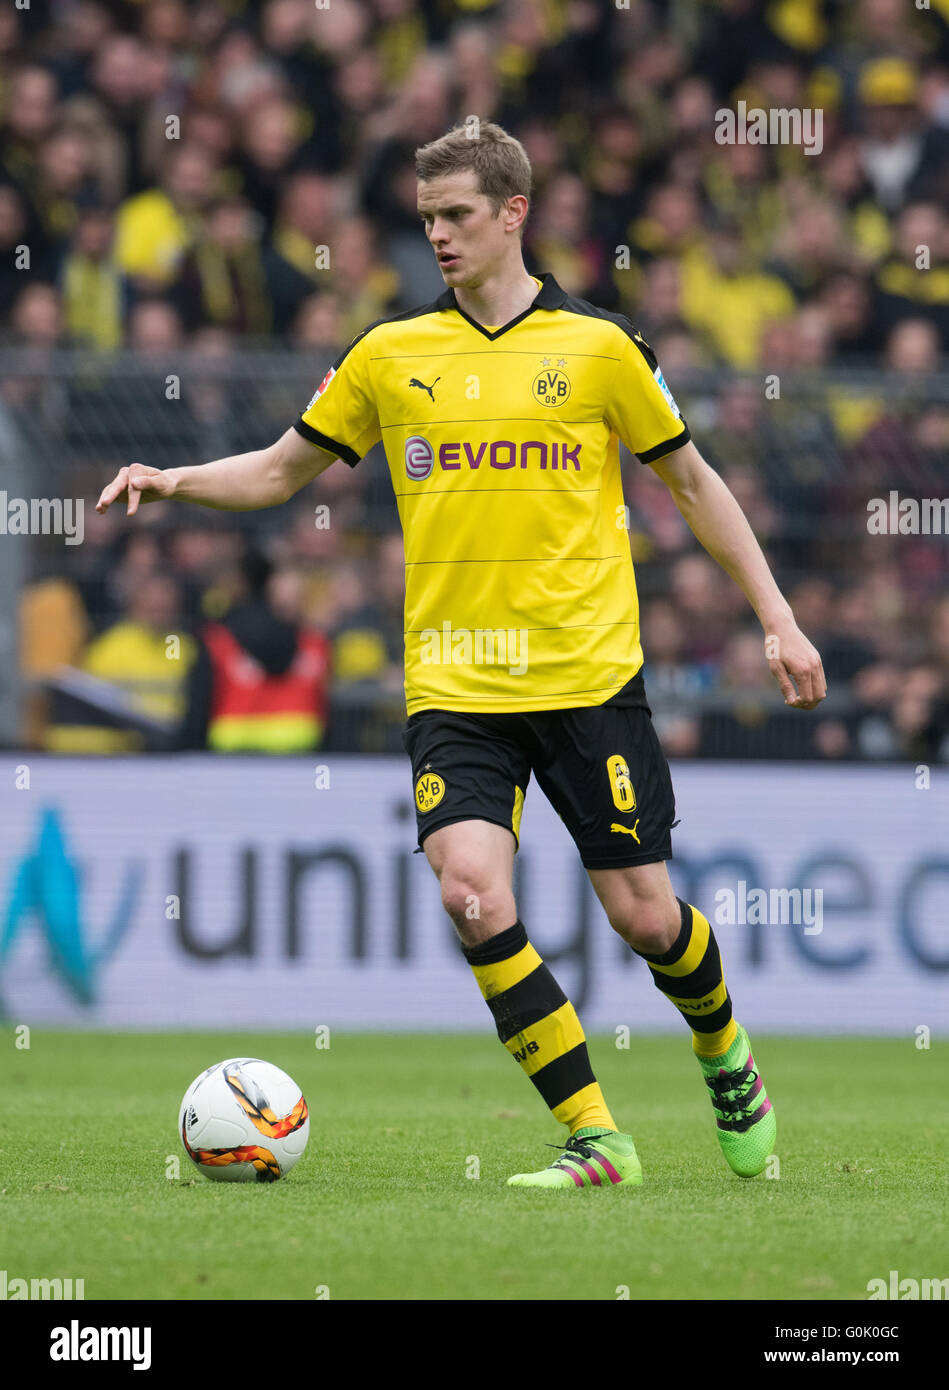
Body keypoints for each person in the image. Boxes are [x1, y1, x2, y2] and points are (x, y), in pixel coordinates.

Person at [97, 122, 827, 1191]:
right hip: (454, 686)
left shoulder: (598, 348)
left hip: (587, 677)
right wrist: (173, 477)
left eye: (457, 215)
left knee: (644, 916)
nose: (436, 234)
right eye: (426, 216)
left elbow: (693, 483)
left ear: (514, 214)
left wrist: (774, 612)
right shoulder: (390, 356)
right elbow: (276, 471)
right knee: (472, 895)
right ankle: (596, 1137)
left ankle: (724, 1052)